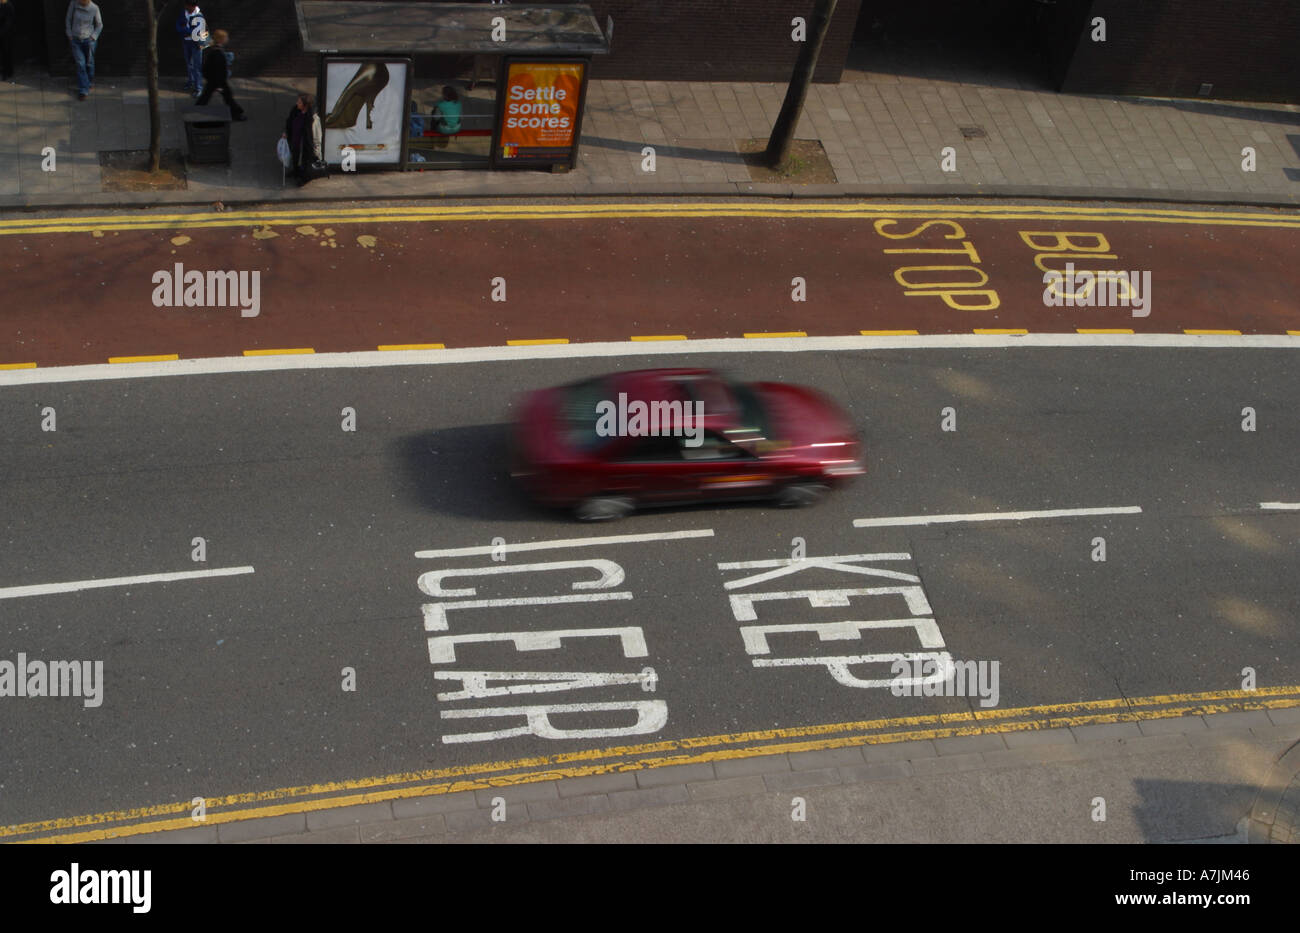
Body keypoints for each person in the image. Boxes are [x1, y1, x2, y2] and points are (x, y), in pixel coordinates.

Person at [196, 28, 245, 121]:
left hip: (215, 80)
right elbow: (218, 69)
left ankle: (197, 110)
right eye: (226, 37)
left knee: (207, 96)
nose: (227, 39)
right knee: (227, 97)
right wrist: (219, 83)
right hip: (218, 80)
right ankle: (236, 114)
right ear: (221, 39)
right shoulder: (217, 52)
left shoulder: (215, 51)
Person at [281, 94, 323, 185]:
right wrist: (286, 132)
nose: (297, 103)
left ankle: (304, 178)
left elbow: (317, 138)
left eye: (299, 102)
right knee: (295, 157)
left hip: (305, 146)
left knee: (305, 162)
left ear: (306, 105)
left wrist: (316, 152)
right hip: (295, 141)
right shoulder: (295, 111)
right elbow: (289, 122)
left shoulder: (313, 119)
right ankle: (296, 171)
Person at [65, 0, 102, 101]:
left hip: (89, 41)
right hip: (76, 40)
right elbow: (68, 18)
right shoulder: (73, 4)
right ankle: (83, 90)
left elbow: (99, 25)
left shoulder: (94, 8)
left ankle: (89, 82)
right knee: (80, 64)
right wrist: (69, 34)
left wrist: (93, 37)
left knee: (89, 63)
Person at [175, 2, 208, 96]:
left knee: (197, 66)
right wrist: (186, 31)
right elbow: (178, 25)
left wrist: (184, 30)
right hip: (186, 42)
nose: (186, 7)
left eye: (188, 5)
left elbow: (197, 32)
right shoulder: (183, 13)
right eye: (186, 5)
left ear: (193, 6)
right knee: (189, 63)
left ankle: (198, 88)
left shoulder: (199, 16)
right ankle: (191, 81)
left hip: (196, 44)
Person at [0, 0, 16, 84]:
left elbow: (8, 22)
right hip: (4, 34)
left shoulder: (7, 6)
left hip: (5, 35)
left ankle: (7, 72)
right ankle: (6, 72)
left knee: (6, 53)